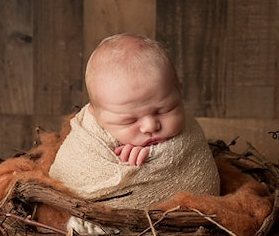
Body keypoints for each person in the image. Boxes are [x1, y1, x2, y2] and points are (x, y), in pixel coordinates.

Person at [47, 33, 221, 211]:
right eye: (129, 120)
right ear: (96, 115)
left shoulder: (188, 132)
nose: (151, 126)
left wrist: (155, 157)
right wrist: (126, 166)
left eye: (164, 110)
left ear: (179, 90)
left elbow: (201, 179)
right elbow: (68, 180)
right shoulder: (86, 141)